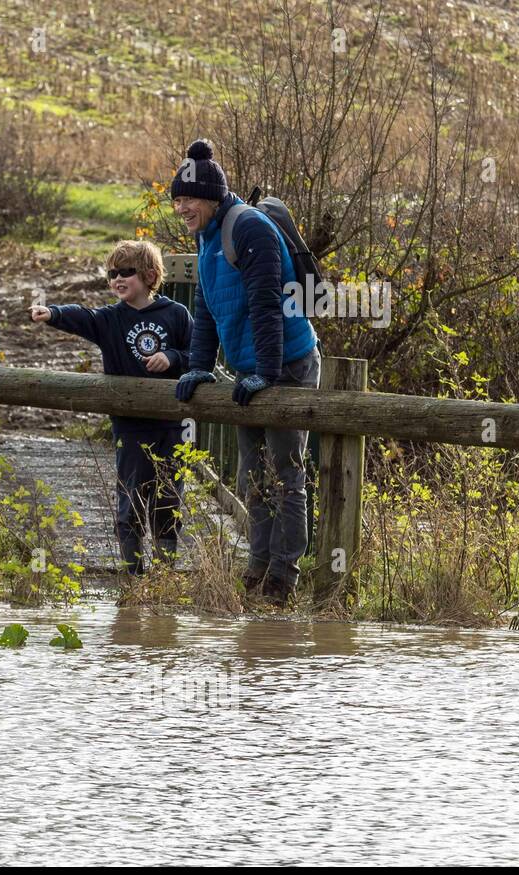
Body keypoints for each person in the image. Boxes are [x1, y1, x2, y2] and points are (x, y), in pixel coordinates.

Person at [169, 139, 321, 606]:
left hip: (287, 367)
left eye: (188, 199)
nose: (181, 208)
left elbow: (266, 304)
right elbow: (208, 305)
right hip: (250, 371)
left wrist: (269, 375)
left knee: (285, 471)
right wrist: (198, 367)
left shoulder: (248, 228)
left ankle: (282, 578)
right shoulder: (206, 234)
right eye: (177, 200)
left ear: (212, 197)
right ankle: (256, 570)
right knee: (252, 475)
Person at [31, 240, 192, 575]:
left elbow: (199, 359)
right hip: (130, 427)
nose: (118, 279)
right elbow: (83, 315)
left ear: (149, 275)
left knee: (168, 502)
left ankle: (164, 576)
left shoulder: (176, 314)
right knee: (130, 503)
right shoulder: (110, 319)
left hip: (171, 426)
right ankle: (133, 577)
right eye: (112, 274)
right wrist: (54, 313)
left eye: (126, 273)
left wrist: (172, 357)